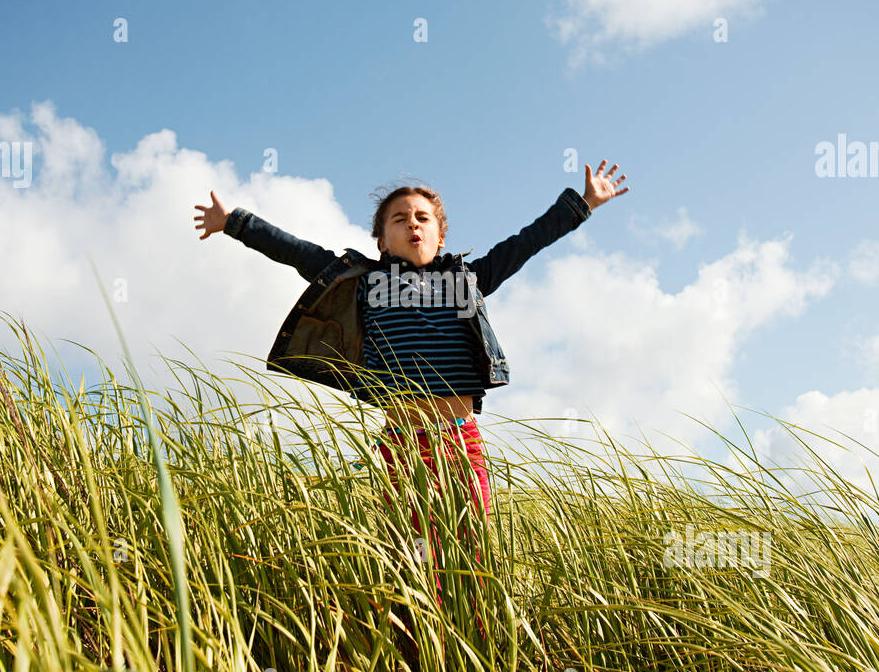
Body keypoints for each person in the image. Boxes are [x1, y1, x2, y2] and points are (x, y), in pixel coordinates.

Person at [194, 161, 631, 617]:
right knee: (413, 556)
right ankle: (416, 644)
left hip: (461, 441)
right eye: (399, 220)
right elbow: (295, 250)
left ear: (440, 236)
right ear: (382, 241)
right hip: (402, 445)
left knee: (470, 552)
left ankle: (475, 638)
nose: (412, 225)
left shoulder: (467, 281)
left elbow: (525, 244)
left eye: (422, 218)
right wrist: (234, 222)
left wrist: (582, 203)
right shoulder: (364, 282)